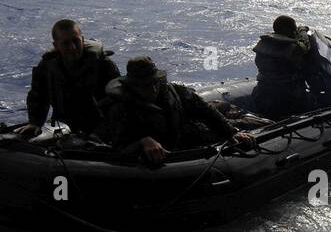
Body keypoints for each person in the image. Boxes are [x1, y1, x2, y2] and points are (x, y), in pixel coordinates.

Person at [94, 56, 254, 165]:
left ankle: (260, 122)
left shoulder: (173, 91)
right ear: (132, 85)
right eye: (146, 85)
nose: (153, 89)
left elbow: (205, 111)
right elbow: (118, 148)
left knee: (241, 126)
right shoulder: (120, 108)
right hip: (174, 147)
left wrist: (231, 132)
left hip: (191, 131)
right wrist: (142, 141)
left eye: (155, 82)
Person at [18, 19, 120, 136]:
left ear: (82, 39)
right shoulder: (47, 66)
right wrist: (35, 123)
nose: (73, 47)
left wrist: (102, 134)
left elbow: (116, 103)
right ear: (56, 45)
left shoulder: (103, 65)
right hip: (62, 123)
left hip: (99, 124)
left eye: (76, 41)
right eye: (66, 43)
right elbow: (38, 95)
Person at [251, 15, 313, 118]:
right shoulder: (293, 48)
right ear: (290, 31)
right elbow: (305, 44)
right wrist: (302, 30)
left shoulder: (264, 43)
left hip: (262, 92)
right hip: (286, 96)